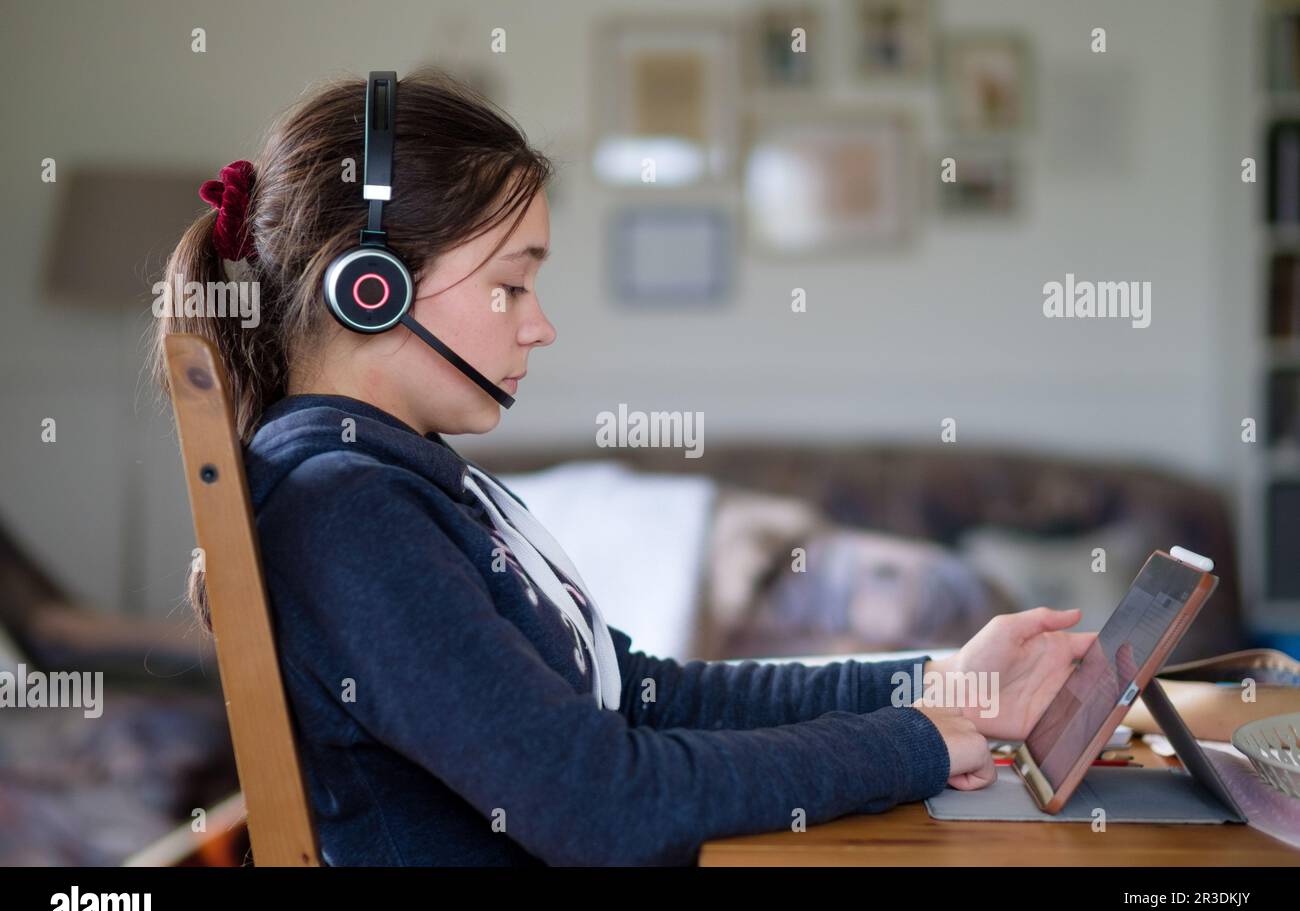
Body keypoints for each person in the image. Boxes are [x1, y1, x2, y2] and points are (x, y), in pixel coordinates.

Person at [152, 66, 1096, 866]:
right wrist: (916, 746)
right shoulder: (347, 513)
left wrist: (942, 685)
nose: (540, 323)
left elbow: (640, 696)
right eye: (510, 283)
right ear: (371, 289)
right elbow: (598, 803)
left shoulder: (405, 478)